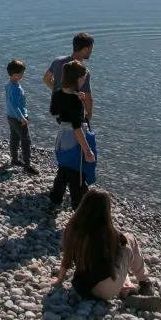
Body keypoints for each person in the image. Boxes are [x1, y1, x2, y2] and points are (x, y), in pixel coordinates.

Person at [52, 188, 161, 311]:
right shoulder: (109, 232)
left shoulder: (72, 229)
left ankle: (128, 292)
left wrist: (59, 280)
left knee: (114, 264)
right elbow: (122, 249)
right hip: (108, 287)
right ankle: (144, 283)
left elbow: (67, 258)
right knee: (129, 240)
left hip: (83, 288)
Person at [49, 60, 97, 210]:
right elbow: (77, 129)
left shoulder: (58, 92)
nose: (84, 80)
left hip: (62, 136)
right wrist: (87, 150)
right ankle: (78, 206)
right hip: (75, 138)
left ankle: (55, 198)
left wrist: (68, 110)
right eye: (83, 78)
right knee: (77, 172)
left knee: (64, 167)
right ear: (76, 79)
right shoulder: (76, 101)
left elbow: (54, 113)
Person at [44, 32, 95, 124]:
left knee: (64, 134)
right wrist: (89, 115)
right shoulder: (82, 71)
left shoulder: (58, 61)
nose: (92, 50)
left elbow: (46, 79)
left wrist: (59, 89)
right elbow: (87, 97)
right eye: (91, 47)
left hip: (59, 112)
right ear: (85, 49)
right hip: (73, 114)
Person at [6, 59, 35, 173]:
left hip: (9, 116)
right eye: (22, 73)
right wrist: (22, 117)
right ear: (16, 75)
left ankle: (14, 159)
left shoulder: (8, 84)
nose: (23, 75)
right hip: (18, 118)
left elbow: (10, 104)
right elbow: (15, 105)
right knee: (26, 140)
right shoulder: (16, 88)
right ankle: (27, 165)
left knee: (14, 137)